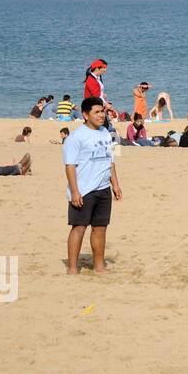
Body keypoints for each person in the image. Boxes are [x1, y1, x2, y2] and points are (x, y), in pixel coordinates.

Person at [64, 97, 122, 275]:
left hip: (103, 188)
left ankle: (99, 266)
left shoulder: (107, 132)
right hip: (84, 189)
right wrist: (75, 191)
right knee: (79, 227)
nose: (101, 115)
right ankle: (72, 268)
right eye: (96, 112)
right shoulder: (76, 136)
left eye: (102, 111)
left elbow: (110, 160)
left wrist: (116, 184)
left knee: (100, 228)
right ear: (85, 114)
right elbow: (70, 166)